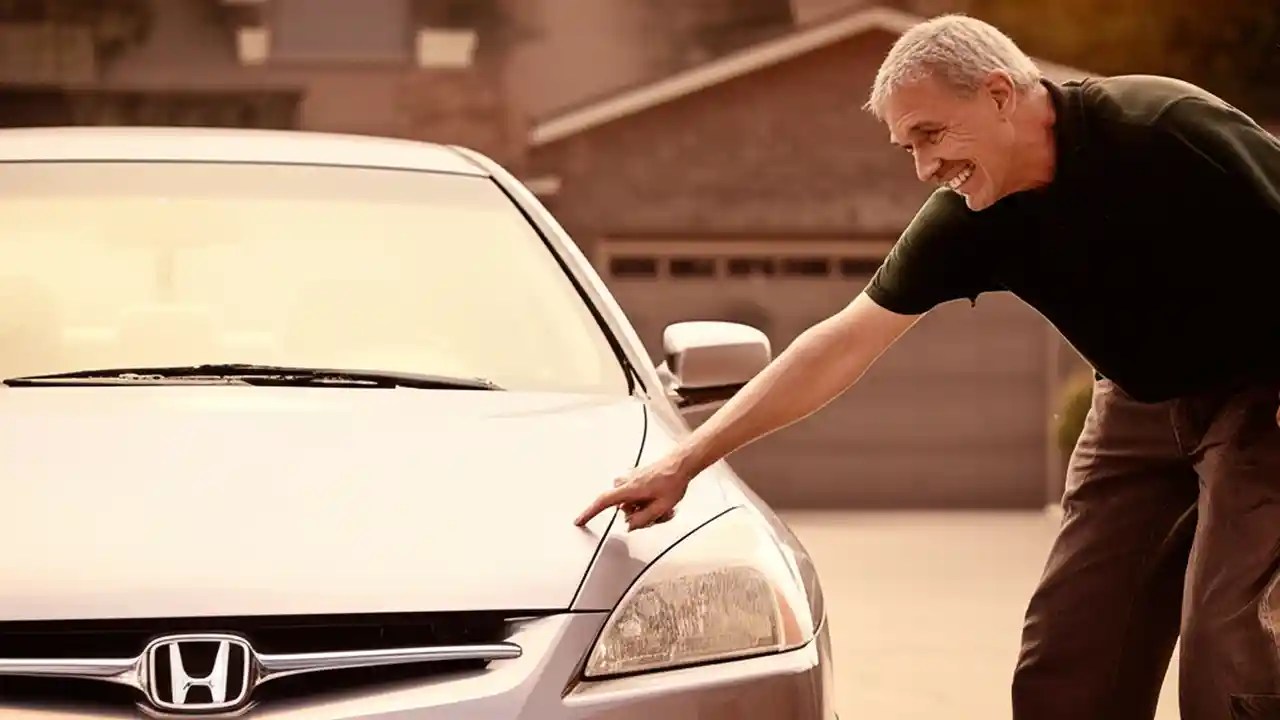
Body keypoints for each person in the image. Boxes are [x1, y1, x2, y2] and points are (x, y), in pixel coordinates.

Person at [573, 12, 1280, 720]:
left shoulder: (1165, 130)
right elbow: (842, 342)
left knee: (1227, 642)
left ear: (1001, 95)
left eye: (930, 134)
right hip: (1137, 398)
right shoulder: (970, 217)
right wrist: (685, 463)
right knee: (1070, 656)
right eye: (906, 145)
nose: (923, 167)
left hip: (1259, 395)